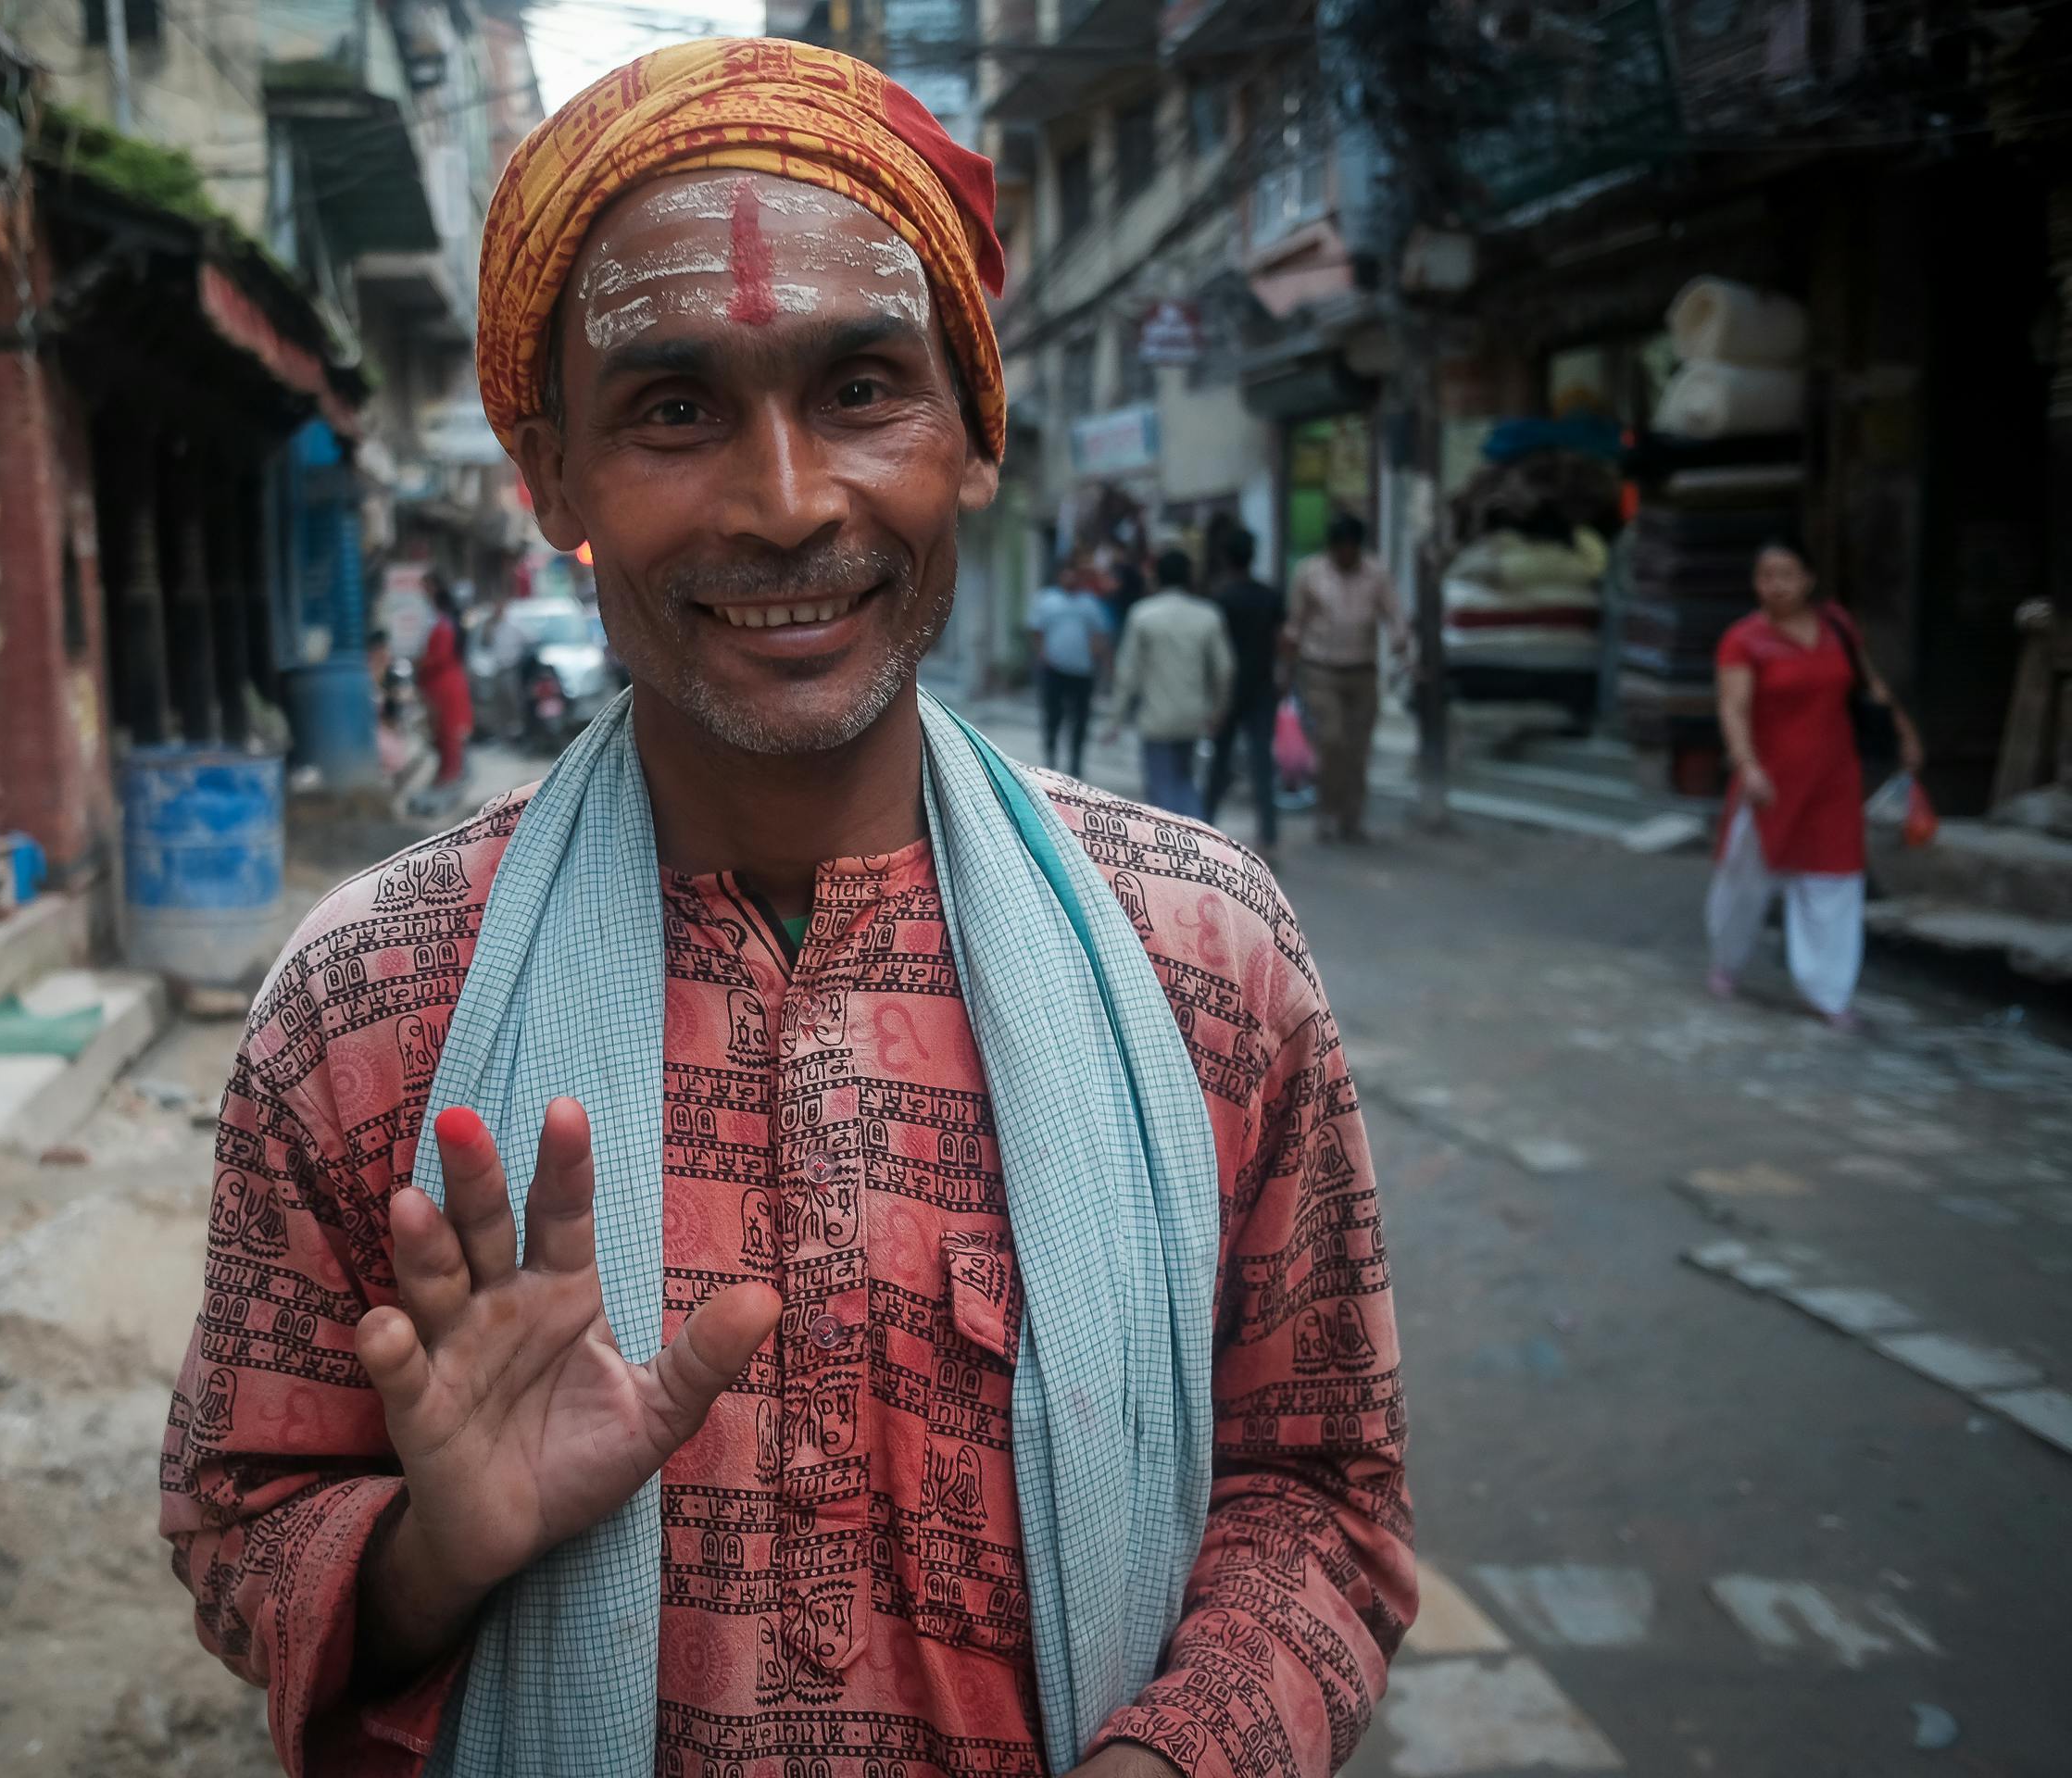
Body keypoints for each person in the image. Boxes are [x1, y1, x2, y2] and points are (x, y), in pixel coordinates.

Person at [161, 39, 1412, 1778]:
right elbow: (242, 1525)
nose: (786, 500)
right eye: (674, 409)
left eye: (861, 390)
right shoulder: (369, 1002)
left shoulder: (1207, 954)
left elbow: (1321, 1496)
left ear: (972, 425)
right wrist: (433, 1552)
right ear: (551, 478)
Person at [1707, 540, 1920, 1029]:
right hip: (1771, 779)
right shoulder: (1742, 640)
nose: (1775, 585)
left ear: (1808, 580)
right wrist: (1748, 765)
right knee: (1746, 879)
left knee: (1834, 877)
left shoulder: (1838, 626)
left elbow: (1872, 686)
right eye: (1765, 575)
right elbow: (1732, 708)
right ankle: (1727, 961)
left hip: (1833, 775)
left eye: (1786, 574)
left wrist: (1903, 731)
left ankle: (1828, 991)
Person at [1282, 513, 1406, 844]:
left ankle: (1352, 819)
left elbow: (1393, 613)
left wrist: (1400, 643)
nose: (1346, 555)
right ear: (1332, 548)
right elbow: (1296, 622)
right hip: (1321, 670)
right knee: (1332, 741)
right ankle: (1327, 812)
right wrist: (1285, 667)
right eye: (1341, 549)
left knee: (1359, 749)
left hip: (1363, 671)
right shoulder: (1309, 573)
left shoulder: (1376, 573)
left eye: (1352, 549)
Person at [1104, 546, 1232, 819]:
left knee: (1161, 791)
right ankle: (1199, 844)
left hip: (1156, 719)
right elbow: (1225, 669)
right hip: (1194, 717)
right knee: (1186, 783)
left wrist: (1115, 719)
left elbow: (1128, 673)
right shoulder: (1207, 615)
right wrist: (1217, 711)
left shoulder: (1143, 615)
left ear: (1157, 577)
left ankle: (1173, 852)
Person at [1203, 523, 1287, 857]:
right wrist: (1285, 677)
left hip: (1227, 692)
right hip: (1262, 689)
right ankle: (1269, 837)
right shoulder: (1270, 595)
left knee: (1219, 762)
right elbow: (1283, 641)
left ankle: (1204, 828)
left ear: (1225, 558)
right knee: (1262, 763)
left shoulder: (1219, 597)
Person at [1025, 566, 1114, 777]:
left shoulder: (1089, 603)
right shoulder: (1047, 600)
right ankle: (1051, 756)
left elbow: (1099, 634)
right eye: (1067, 572)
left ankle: (1076, 761)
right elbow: (1036, 631)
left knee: (1080, 719)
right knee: (1053, 716)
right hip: (1054, 670)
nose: (1070, 576)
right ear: (1060, 575)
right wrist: (1042, 654)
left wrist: (1098, 658)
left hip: (1082, 671)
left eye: (1075, 573)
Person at [416, 573, 475, 790]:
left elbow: (439, 658)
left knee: (448, 731)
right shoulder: (445, 621)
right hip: (446, 682)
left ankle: (450, 777)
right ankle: (448, 775)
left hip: (445, 684)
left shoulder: (443, 624)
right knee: (445, 731)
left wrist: (420, 664)